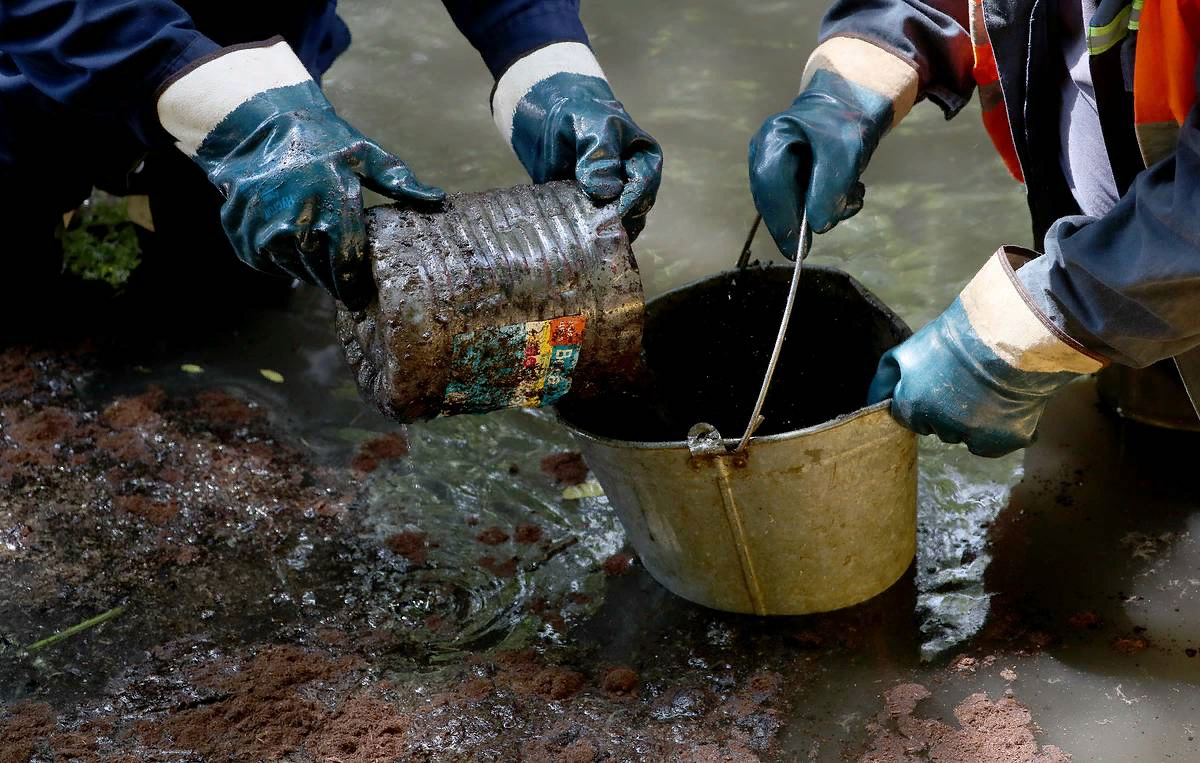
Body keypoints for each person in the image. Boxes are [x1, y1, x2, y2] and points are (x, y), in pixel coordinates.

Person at [0, 0, 661, 314]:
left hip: (259, 52)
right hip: (37, 55)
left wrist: (541, 54)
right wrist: (215, 104)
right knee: (22, 310)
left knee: (233, 304)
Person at [747, 0, 1200, 456]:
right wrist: (851, 86)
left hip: (1156, 286)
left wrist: (1039, 323)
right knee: (1138, 458)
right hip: (1121, 303)